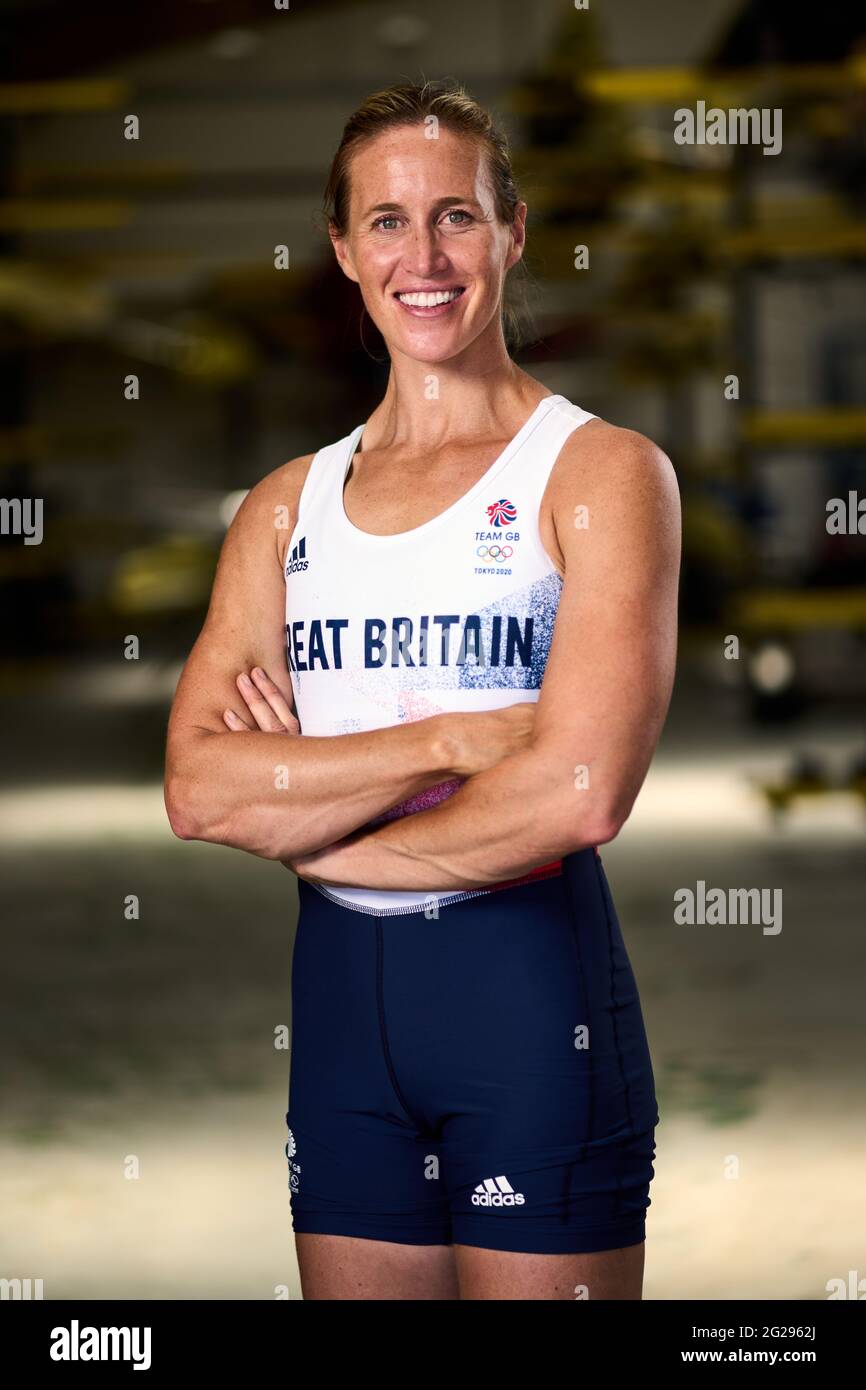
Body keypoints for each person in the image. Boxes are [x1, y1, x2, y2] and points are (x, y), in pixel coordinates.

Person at [165, 79, 680, 1301]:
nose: (424, 256)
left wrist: (316, 832)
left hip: (531, 1017)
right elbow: (200, 788)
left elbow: (577, 794)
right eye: (386, 223)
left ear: (511, 229)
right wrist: (450, 739)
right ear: (344, 252)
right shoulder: (284, 507)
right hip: (340, 1036)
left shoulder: (600, 472)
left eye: (455, 215)